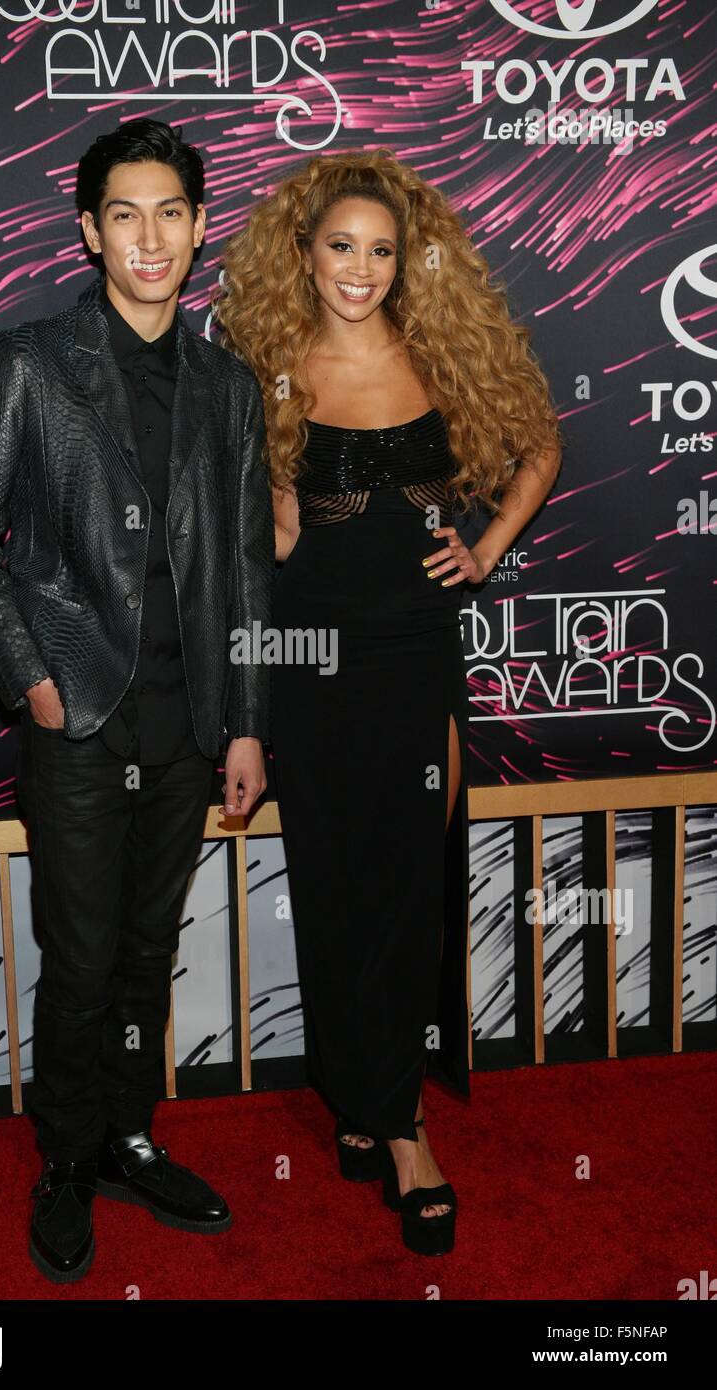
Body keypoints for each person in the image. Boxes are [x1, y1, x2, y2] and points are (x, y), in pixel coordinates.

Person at [0, 118, 275, 1283]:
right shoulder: (29, 363)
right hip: (77, 718)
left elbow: (245, 568)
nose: (149, 237)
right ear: (89, 231)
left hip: (188, 724)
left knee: (145, 950)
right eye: (123, 214)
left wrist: (245, 721)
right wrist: (32, 681)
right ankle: (66, 1160)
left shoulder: (228, 386)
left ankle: (129, 1137)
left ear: (198, 225)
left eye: (170, 212)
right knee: (80, 960)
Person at [214, 149, 562, 1256]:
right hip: (310, 663)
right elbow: (266, 545)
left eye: (380, 249)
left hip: (416, 657)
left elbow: (539, 446)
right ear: (303, 254)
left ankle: (400, 1124)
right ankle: (361, 1095)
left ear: (408, 259)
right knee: (332, 885)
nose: (359, 269)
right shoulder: (266, 372)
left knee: (409, 882)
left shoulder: (443, 352)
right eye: (340, 247)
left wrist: (487, 547)